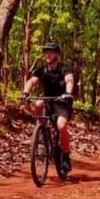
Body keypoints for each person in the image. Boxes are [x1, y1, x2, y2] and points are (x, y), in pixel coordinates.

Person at [21, 42, 75, 172]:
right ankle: (41, 127)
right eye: (46, 53)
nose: (48, 55)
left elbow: (69, 80)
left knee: (61, 126)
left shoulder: (64, 69)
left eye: (51, 53)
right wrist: (25, 92)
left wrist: (68, 93)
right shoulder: (42, 70)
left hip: (62, 101)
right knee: (38, 103)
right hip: (47, 100)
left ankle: (66, 155)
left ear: (57, 55)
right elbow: (32, 81)